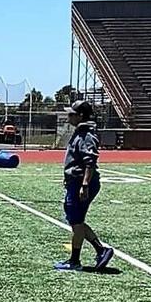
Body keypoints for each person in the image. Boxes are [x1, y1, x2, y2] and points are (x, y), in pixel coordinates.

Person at [55, 100, 115, 272]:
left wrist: (84, 185)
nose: (69, 117)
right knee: (77, 221)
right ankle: (101, 250)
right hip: (76, 182)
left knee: (76, 222)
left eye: (72, 114)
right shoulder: (81, 132)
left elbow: (90, 162)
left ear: (81, 116)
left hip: (81, 183)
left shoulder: (87, 135)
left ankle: (76, 260)